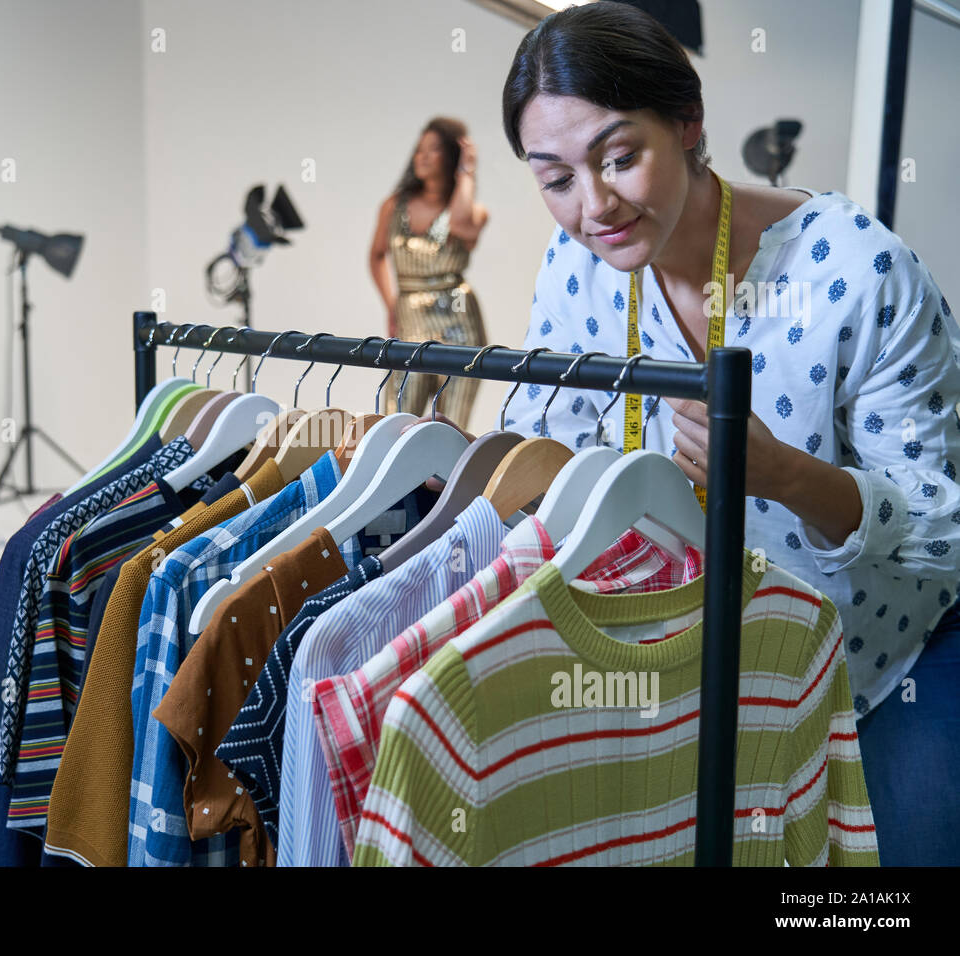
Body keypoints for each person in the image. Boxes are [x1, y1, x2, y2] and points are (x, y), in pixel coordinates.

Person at [498, 2, 960, 865]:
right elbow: (544, 448)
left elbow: (945, 529)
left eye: (620, 157)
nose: (594, 206)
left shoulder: (859, 271)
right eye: (556, 178)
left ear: (689, 125)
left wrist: (786, 476)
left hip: (880, 663)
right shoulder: (573, 268)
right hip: (693, 666)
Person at [369, 117, 489, 429]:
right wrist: (391, 304)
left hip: (459, 322)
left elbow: (461, 223)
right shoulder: (393, 206)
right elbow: (376, 255)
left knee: (450, 427)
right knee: (396, 420)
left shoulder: (473, 212)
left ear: (451, 157)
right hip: (410, 318)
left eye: (433, 149)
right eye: (419, 149)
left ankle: (449, 479)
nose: (422, 156)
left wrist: (467, 172)